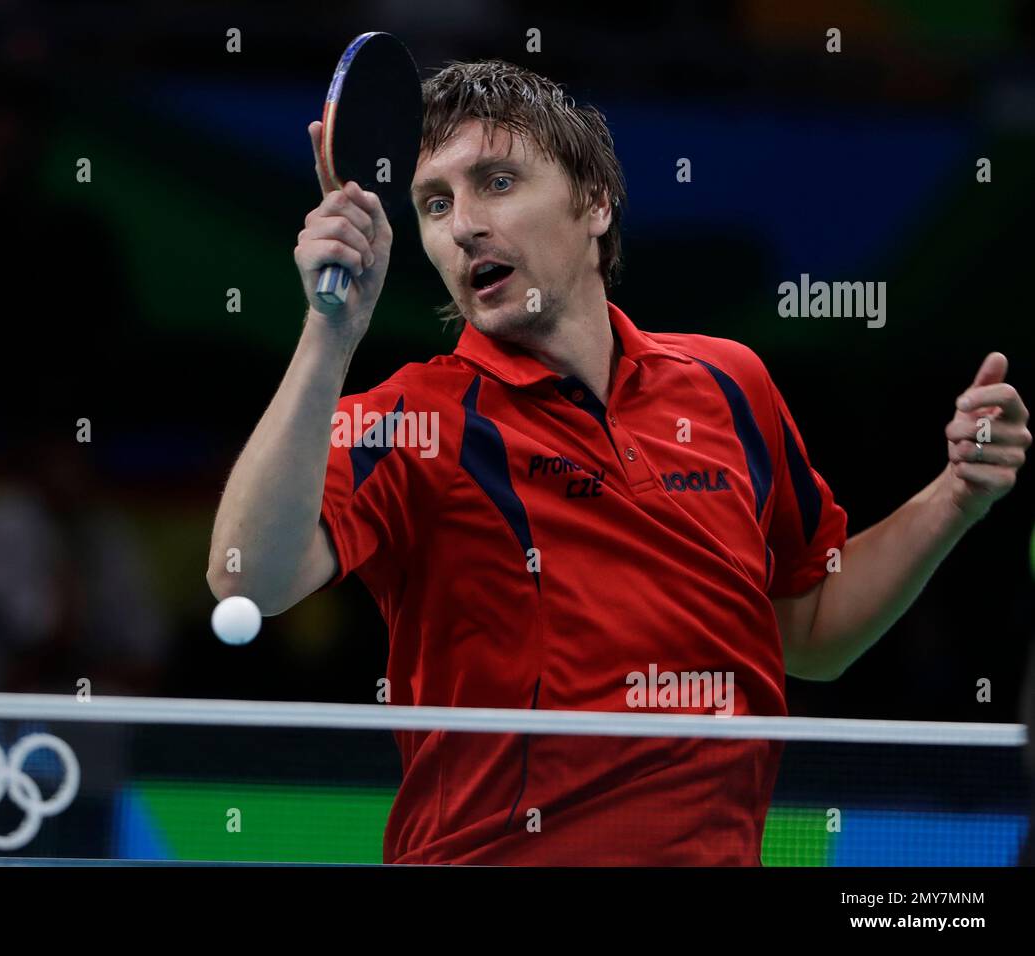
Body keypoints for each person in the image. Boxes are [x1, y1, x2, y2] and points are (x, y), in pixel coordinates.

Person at [207, 60, 1030, 864]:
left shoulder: (728, 384)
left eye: (496, 182)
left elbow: (809, 632)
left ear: (595, 202)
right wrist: (331, 334)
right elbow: (246, 577)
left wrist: (955, 495)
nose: (462, 225)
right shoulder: (411, 418)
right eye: (434, 202)